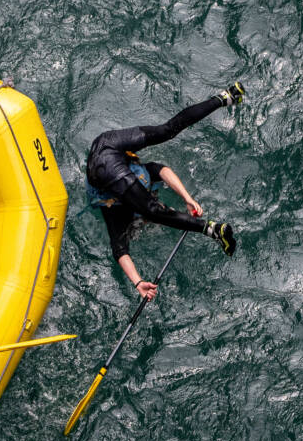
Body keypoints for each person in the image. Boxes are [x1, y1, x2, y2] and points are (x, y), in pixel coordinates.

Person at [85, 85, 243, 298]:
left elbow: (120, 248)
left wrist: (187, 198)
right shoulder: (118, 203)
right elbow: (160, 170)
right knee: (167, 130)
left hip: (106, 162)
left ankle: (212, 230)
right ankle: (225, 96)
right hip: (105, 142)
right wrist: (186, 198)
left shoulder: (118, 210)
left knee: (152, 212)